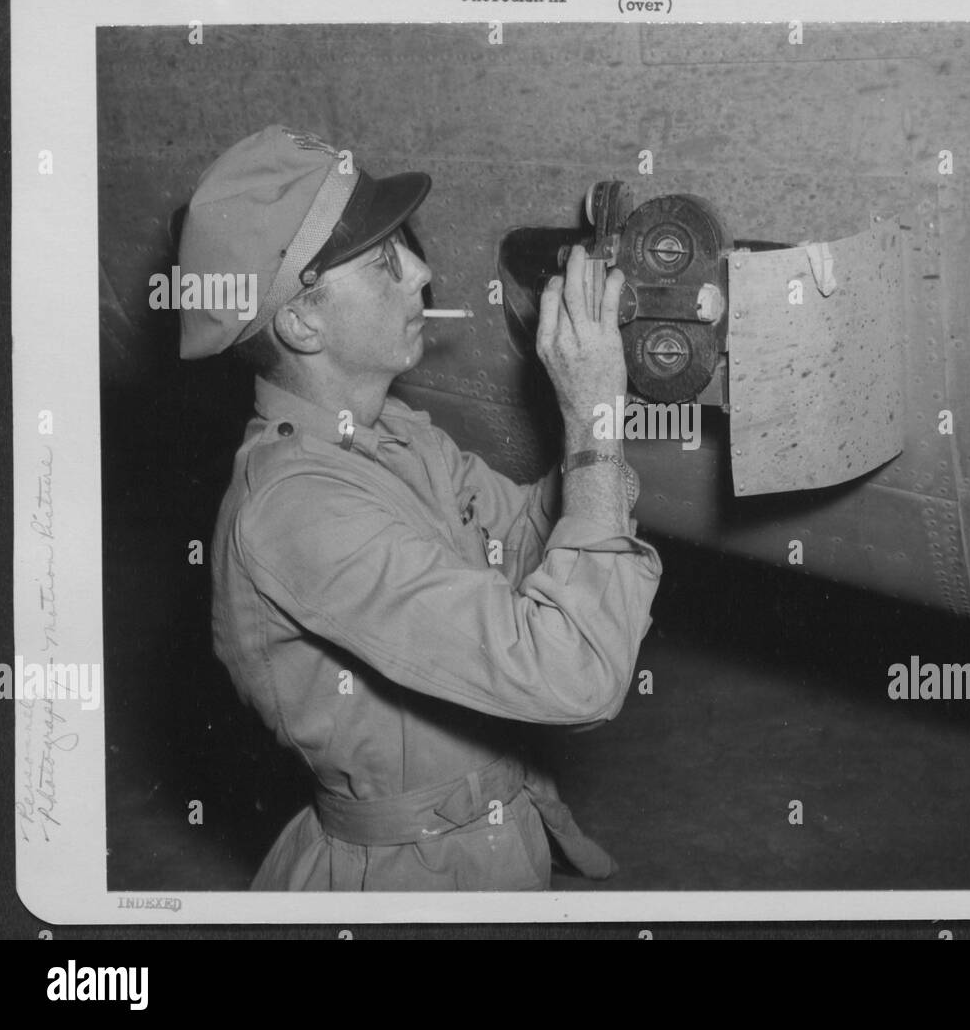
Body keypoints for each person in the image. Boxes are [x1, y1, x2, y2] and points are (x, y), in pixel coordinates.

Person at [177, 124, 661, 891]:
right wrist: (590, 420)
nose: (422, 272)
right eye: (382, 263)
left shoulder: (391, 434)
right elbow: (577, 671)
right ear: (302, 322)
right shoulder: (296, 513)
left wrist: (605, 396)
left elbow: (528, 540)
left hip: (497, 845)